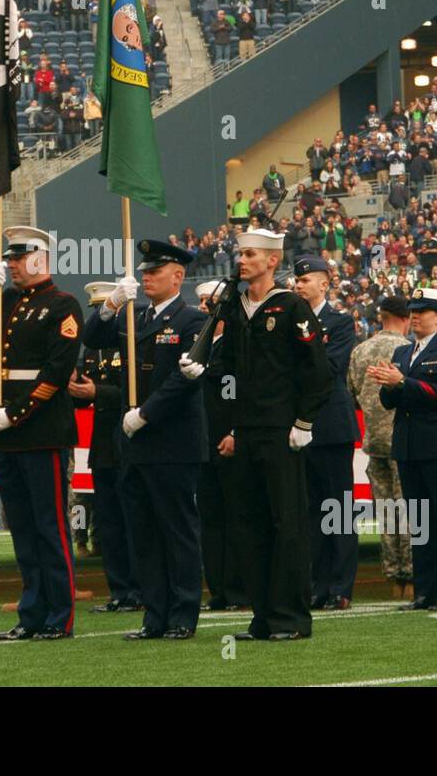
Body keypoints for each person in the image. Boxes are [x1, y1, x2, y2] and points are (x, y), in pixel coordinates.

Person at [180, 229, 332, 640]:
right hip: (245, 432)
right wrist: (206, 371)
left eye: (249, 254)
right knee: (249, 523)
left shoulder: (291, 306)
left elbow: (318, 370)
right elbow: (229, 367)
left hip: (282, 431)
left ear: (271, 260)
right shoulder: (235, 307)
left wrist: (303, 422)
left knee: (287, 524)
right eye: (240, 254)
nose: (241, 260)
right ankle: (263, 616)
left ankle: (291, 618)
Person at [0, 226, 84, 641]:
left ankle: (59, 617)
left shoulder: (63, 305)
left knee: (50, 527)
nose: (11, 264)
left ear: (41, 259)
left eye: (19, 258)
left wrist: (13, 414)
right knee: (22, 528)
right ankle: (32, 615)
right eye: (9, 258)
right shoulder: (5, 300)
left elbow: (58, 372)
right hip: (7, 436)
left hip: (41, 430)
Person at [83, 241, 208, 640]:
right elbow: (94, 336)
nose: (147, 276)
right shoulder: (132, 317)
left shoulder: (192, 321)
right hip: (134, 444)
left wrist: (145, 413)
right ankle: (154, 615)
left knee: (176, 530)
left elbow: (185, 380)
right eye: (144, 271)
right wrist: (110, 305)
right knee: (144, 533)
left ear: (178, 276)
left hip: (172, 440)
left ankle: (183, 614)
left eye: (156, 271)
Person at [370, 288, 437, 610]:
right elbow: (391, 402)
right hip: (409, 445)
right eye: (413, 310)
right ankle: (425, 591)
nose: (415, 316)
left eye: (424, 311)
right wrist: (389, 386)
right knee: (421, 521)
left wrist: (401, 383)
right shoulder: (403, 353)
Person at [289, 256, 359, 610]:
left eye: (306, 280)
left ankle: (340, 586)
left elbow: (331, 366)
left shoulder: (340, 322)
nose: (299, 285)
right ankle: (317, 585)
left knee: (337, 507)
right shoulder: (289, 320)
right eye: (296, 280)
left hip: (330, 426)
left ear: (324, 284)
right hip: (299, 427)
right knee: (311, 511)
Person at [72, 282, 140, 613]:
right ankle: (120, 591)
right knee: (109, 523)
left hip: (130, 438)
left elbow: (134, 391)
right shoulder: (92, 350)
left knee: (134, 521)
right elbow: (84, 397)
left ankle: (141, 589)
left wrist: (96, 393)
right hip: (102, 444)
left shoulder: (133, 342)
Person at [347, 294, 413, 600]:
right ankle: (412, 578)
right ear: (407, 318)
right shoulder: (409, 349)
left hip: (374, 442)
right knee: (410, 511)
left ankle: (394, 579)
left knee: (387, 513)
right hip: (405, 441)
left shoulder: (361, 351)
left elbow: (352, 394)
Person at [195, 279, 247, 611]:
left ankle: (239, 589)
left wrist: (236, 432)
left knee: (237, 517)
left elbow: (244, 391)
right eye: (202, 303)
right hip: (202, 441)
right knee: (211, 520)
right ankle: (218, 589)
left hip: (230, 440)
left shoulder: (238, 343)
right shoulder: (198, 345)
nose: (203, 309)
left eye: (208, 303)